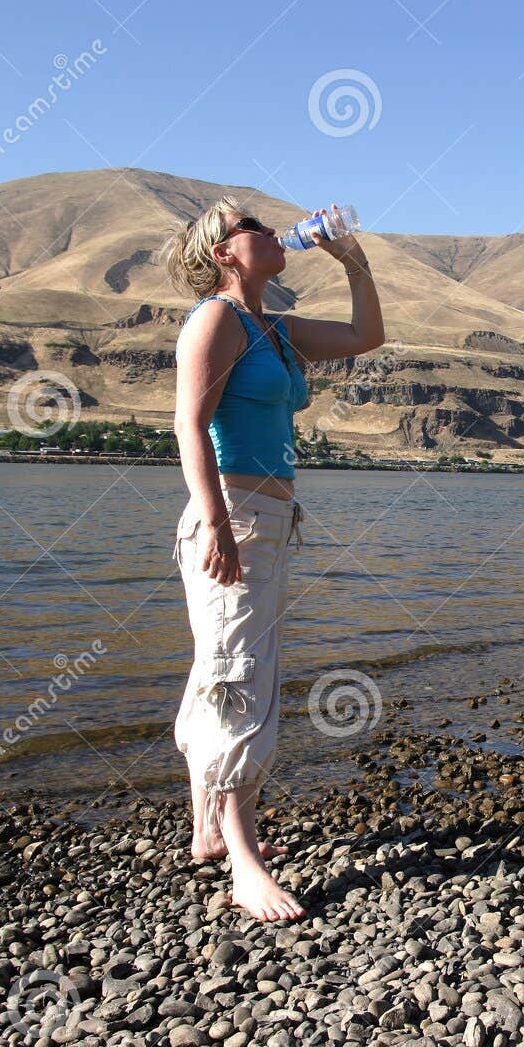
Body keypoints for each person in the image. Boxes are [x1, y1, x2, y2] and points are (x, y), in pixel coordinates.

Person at [160, 196, 384, 921]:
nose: (269, 229)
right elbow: (189, 424)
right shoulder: (216, 319)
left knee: (224, 669)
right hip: (232, 517)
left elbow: (366, 334)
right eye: (250, 226)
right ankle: (245, 863)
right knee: (238, 677)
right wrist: (220, 521)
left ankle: (207, 829)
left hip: (268, 517)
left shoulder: (275, 331)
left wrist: (350, 256)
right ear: (225, 252)